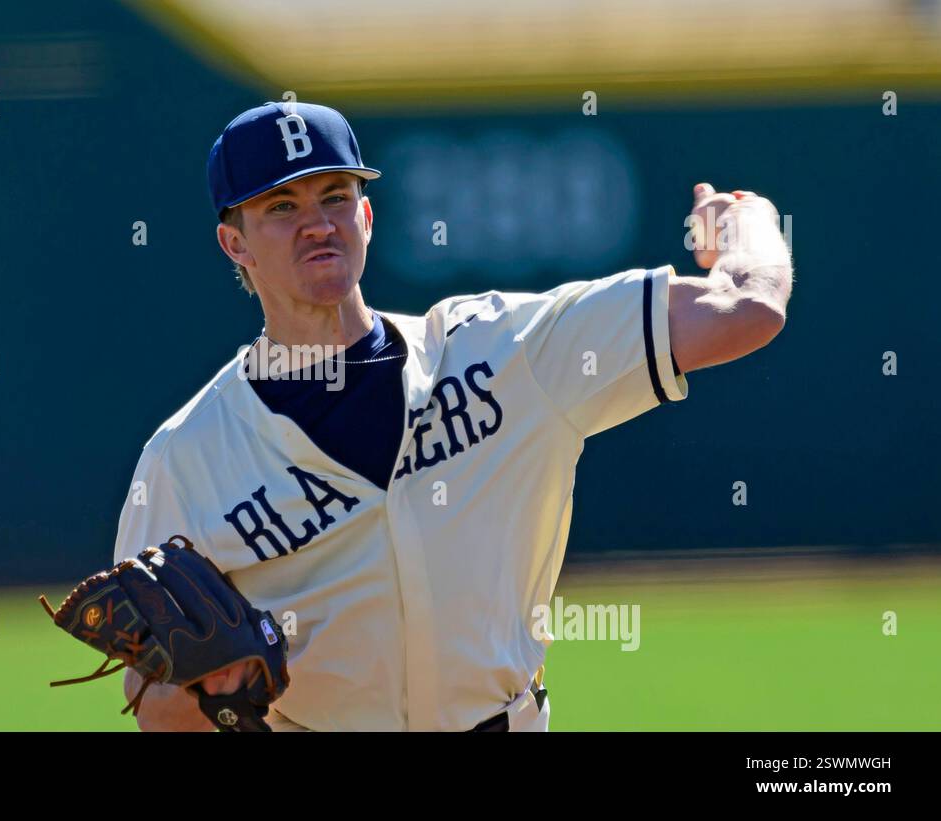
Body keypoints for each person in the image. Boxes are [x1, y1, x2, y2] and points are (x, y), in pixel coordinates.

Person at [112, 100, 793, 731]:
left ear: (367, 218)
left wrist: (748, 225)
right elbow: (151, 703)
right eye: (282, 205)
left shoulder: (504, 353)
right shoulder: (187, 457)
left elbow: (748, 309)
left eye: (336, 196)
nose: (318, 222)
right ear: (235, 244)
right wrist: (207, 694)